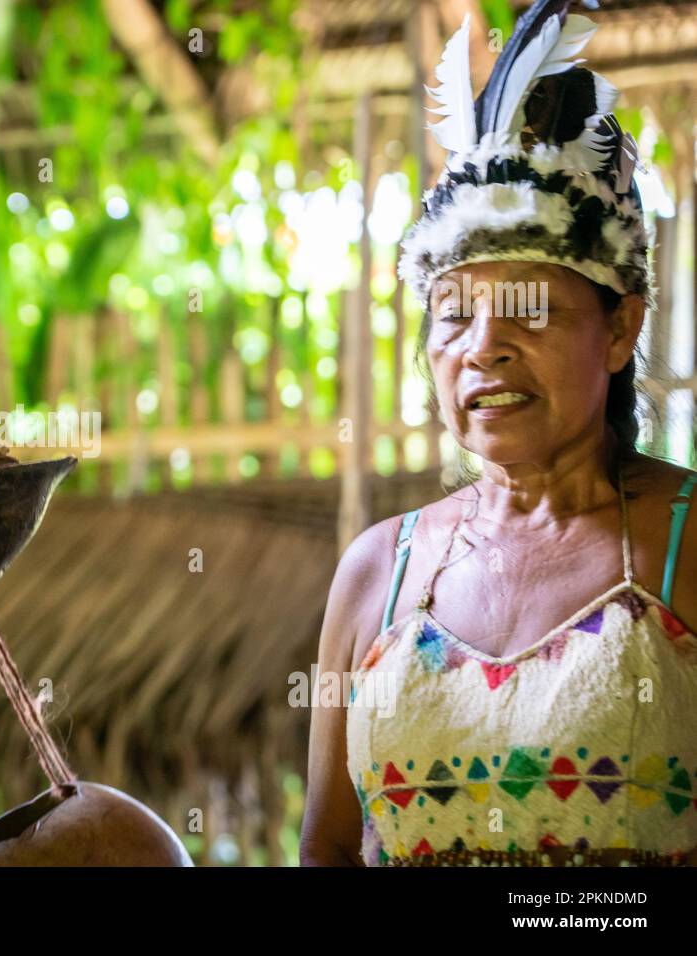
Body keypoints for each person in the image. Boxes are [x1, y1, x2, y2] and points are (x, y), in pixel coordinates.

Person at [301, 4, 697, 866]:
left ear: (622, 328)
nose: (483, 347)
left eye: (532, 309)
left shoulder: (686, 543)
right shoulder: (379, 572)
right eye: (453, 314)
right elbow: (327, 852)